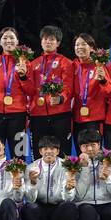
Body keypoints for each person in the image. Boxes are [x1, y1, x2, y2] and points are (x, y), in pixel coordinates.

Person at [0, 27, 34, 158]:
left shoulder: (26, 63)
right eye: (5, 38)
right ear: (0, 42)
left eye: (12, 38)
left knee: (20, 153)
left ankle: (20, 179)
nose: (8, 40)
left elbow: (31, 91)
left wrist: (23, 77)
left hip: (19, 115)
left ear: (17, 41)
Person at [20, 135, 77, 220]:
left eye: (52, 149)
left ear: (58, 151)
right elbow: (30, 199)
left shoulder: (68, 167)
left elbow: (69, 198)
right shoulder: (31, 168)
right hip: (39, 209)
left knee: (71, 207)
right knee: (27, 208)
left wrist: (68, 189)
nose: (49, 152)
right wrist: (32, 183)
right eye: (45, 149)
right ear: (40, 151)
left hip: (58, 209)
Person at [28, 25, 74, 155]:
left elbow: (68, 86)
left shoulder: (65, 62)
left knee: (63, 150)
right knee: (39, 151)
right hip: (38, 114)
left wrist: (61, 98)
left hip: (60, 113)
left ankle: (66, 175)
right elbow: (29, 89)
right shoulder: (33, 64)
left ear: (58, 43)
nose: (48, 42)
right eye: (45, 39)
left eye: (52, 39)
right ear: (41, 41)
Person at [70, 34, 111, 151]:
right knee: (81, 154)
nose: (80, 47)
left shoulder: (99, 66)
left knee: (95, 154)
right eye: (77, 45)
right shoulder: (72, 66)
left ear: (92, 48)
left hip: (94, 119)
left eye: (84, 44)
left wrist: (103, 80)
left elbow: (109, 92)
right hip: (77, 119)